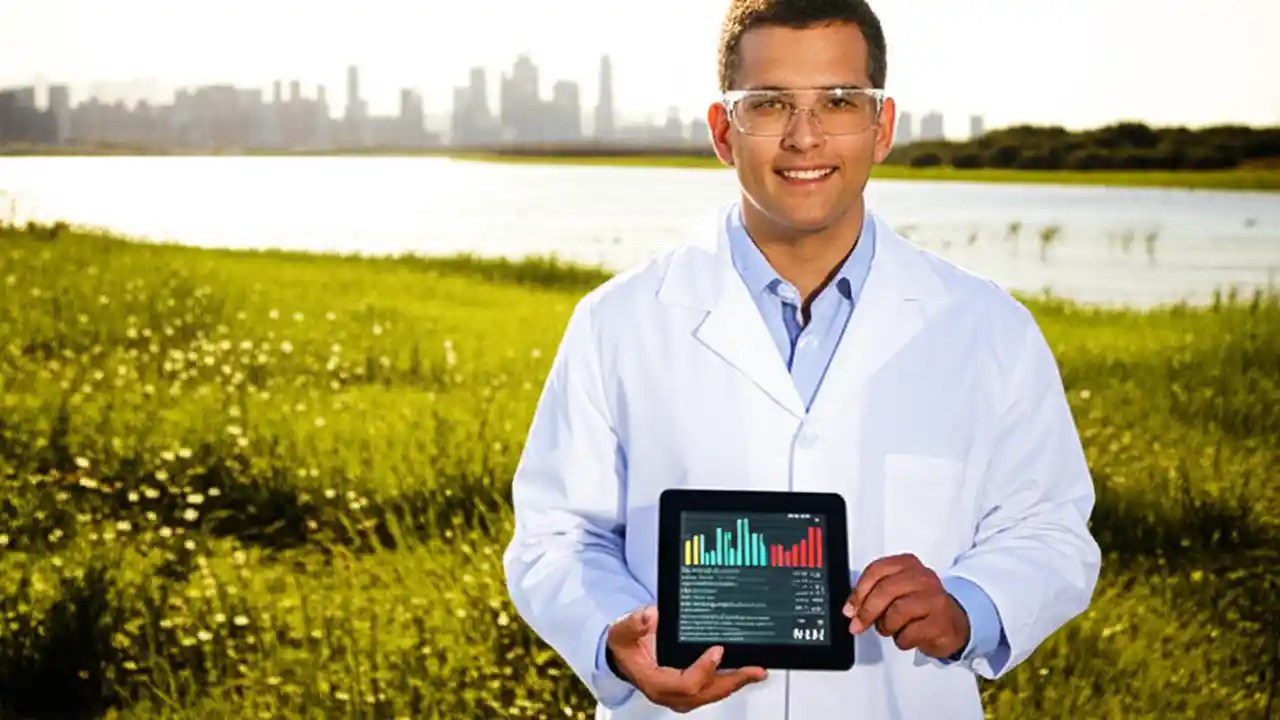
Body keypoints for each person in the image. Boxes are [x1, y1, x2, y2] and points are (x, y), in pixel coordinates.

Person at [502, 0, 1101, 717]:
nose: (805, 136)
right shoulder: (618, 322)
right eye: (770, 104)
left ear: (882, 126)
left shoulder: (988, 328)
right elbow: (558, 534)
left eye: (839, 101)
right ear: (723, 131)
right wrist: (613, 634)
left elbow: (1049, 530)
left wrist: (969, 607)